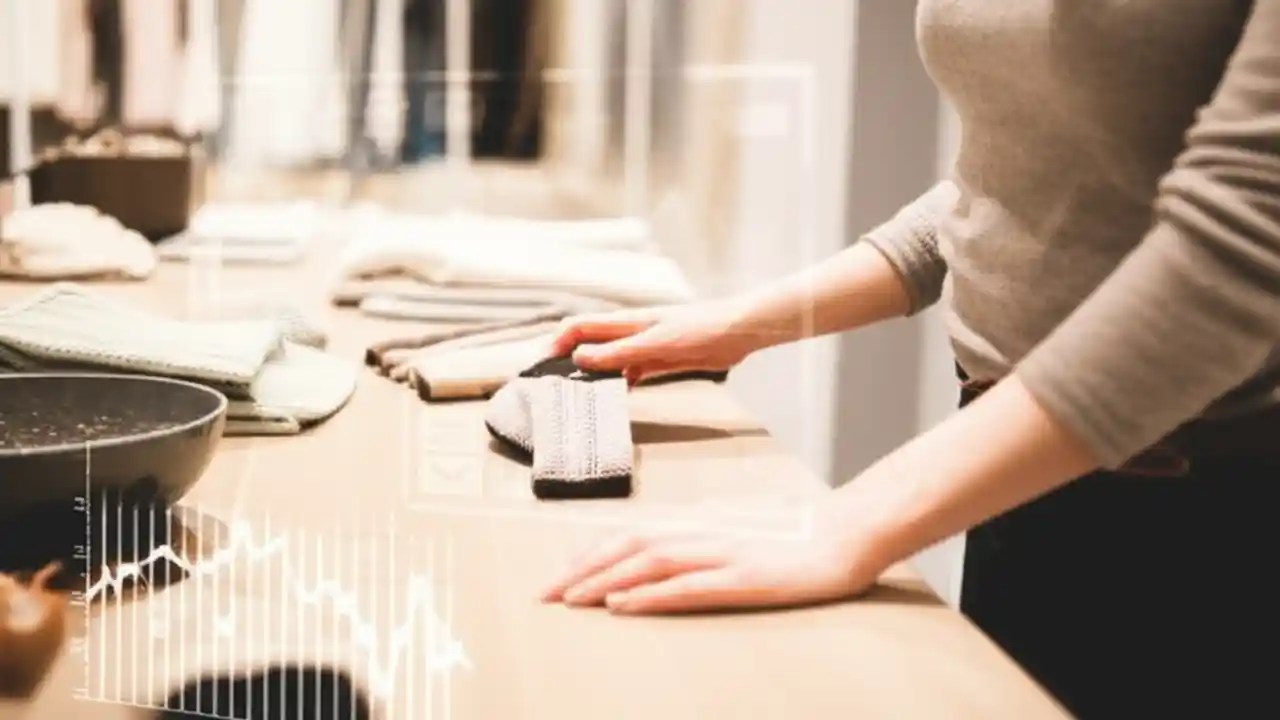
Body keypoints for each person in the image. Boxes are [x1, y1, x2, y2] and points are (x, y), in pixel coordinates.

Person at [539, 1, 1280, 717]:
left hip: (1207, 508)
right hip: (1016, 467)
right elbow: (1010, 175)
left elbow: (1237, 249)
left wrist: (847, 522)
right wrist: (738, 325)